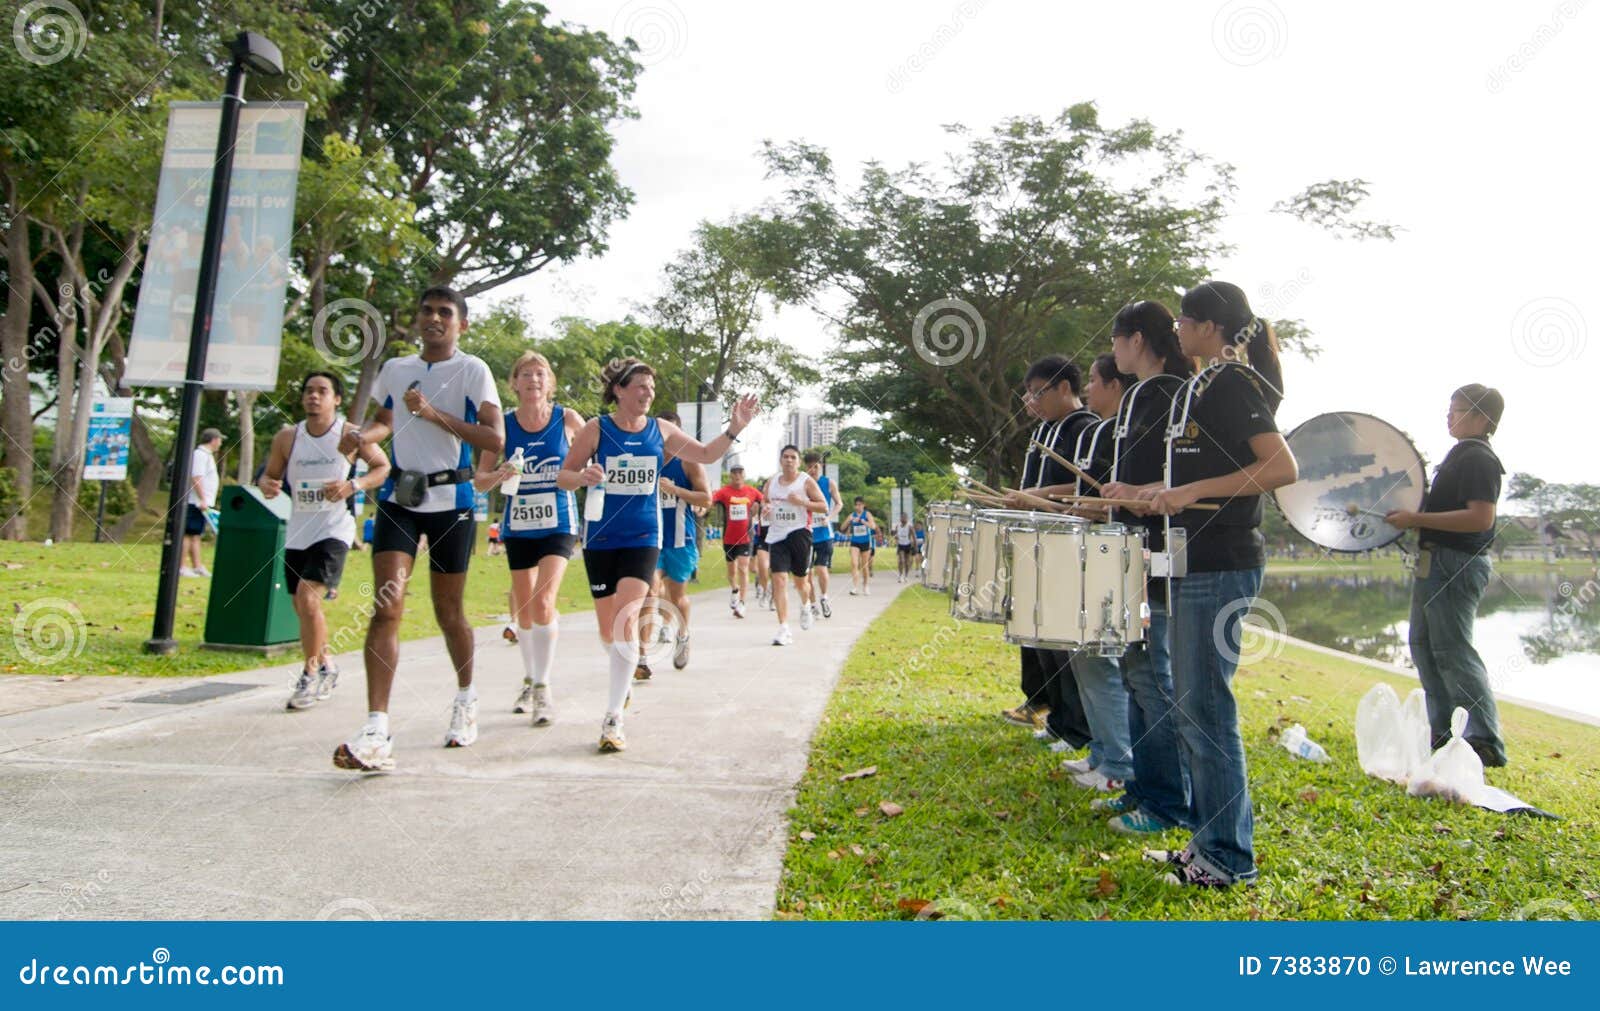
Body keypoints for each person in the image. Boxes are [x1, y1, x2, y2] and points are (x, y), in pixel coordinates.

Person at [1132, 280, 1297, 888]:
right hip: (1193, 561)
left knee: (1206, 711)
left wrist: (1191, 492)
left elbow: (1281, 468)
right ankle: (1209, 843)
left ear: (1208, 327)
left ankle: (1227, 858)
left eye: (1183, 319)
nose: (1175, 328)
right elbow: (1206, 472)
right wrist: (1150, 495)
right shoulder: (1205, 384)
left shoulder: (1232, 382)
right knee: (1195, 705)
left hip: (1221, 563)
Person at [332, 286, 504, 773]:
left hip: (452, 498)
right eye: (426, 311)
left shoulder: (473, 370)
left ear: (461, 325)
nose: (434, 319)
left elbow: (494, 437)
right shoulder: (396, 368)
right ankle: (376, 728)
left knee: (449, 612)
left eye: (445, 313)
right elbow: (387, 420)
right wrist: (362, 435)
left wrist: (433, 415)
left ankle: (466, 698)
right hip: (400, 498)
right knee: (386, 608)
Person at [560, 358, 758, 752]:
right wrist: (583, 477)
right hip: (600, 538)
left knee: (627, 617)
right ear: (619, 390)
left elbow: (704, 454)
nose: (648, 392)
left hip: (644, 536)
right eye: (640, 386)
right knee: (608, 630)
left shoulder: (661, 430)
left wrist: (734, 428)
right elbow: (563, 475)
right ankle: (622, 677)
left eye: (651, 387)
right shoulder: (596, 429)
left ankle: (613, 718)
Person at [1097, 306, 1197, 824]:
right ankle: (1145, 785)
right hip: (1131, 549)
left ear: (1137, 339)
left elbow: (1185, 476)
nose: (1113, 350)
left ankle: (1168, 802)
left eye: (1116, 339)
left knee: (1153, 677)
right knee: (1135, 670)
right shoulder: (1139, 394)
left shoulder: (1178, 393)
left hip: (1162, 554)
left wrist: (1140, 494)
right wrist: (1123, 495)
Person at [1385, 384, 1508, 767]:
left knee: (1453, 651)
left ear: (1482, 419)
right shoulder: (1458, 456)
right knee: (1422, 645)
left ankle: (1484, 740)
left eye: (1457, 410)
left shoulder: (1479, 460)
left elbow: (1481, 517)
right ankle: (1442, 732)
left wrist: (1416, 518)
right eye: (1449, 409)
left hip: (1457, 564)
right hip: (1434, 562)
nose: (1449, 415)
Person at [260, 372, 390, 711]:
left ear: (337, 400)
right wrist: (267, 485)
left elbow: (382, 467)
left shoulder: (348, 435)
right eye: (308, 391)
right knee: (302, 606)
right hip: (299, 528)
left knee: (308, 597)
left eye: (322, 391)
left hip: (334, 529)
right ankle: (328, 663)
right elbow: (270, 475)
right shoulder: (288, 438)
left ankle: (310, 674)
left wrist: (353, 485)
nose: (313, 397)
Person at [473, 350, 581, 727]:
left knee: (544, 599)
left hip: (559, 522)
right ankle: (530, 678)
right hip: (518, 523)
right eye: (526, 374)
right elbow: (479, 479)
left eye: (540, 374)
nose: (534, 380)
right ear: (514, 383)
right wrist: (501, 473)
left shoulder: (566, 419)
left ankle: (543, 687)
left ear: (549, 383)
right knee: (525, 608)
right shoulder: (502, 426)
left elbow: (592, 455)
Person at [999, 356, 1096, 751]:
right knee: (1038, 635)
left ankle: (1075, 726)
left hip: (1065, 544)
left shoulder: (1083, 428)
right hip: (1039, 540)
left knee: (1059, 640)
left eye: (1039, 392)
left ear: (1064, 389)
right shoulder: (1049, 430)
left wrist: (1034, 498)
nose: (1032, 400)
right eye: (1029, 393)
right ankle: (1054, 714)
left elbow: (1085, 491)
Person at [642, 409, 712, 674]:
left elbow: (706, 499)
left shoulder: (689, 463)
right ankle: (642, 656)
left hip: (681, 540)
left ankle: (682, 635)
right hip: (649, 539)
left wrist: (676, 491)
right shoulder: (647, 459)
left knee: (677, 596)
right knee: (650, 591)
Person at [763, 445, 827, 645]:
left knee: (801, 581)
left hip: (800, 533)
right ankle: (784, 628)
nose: (789, 460)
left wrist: (801, 502)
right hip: (777, 535)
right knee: (779, 579)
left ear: (798, 462)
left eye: (793, 457)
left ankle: (806, 604)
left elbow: (823, 506)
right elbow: (765, 502)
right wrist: (765, 508)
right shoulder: (771, 482)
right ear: (780, 460)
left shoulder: (805, 482)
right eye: (785, 457)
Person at [712, 466, 763, 618]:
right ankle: (734, 588)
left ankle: (742, 602)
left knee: (743, 568)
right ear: (730, 476)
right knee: (731, 571)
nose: (737, 476)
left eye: (740, 473)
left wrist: (759, 506)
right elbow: (711, 499)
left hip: (746, 537)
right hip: (729, 537)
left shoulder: (752, 491)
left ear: (744, 475)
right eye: (734, 473)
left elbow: (765, 500)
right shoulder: (724, 491)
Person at [181, 428, 222, 577]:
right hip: (196, 501)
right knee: (187, 534)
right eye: (219, 440)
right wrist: (203, 498)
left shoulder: (207, 455)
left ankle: (197, 565)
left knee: (196, 534)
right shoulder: (200, 455)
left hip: (203, 502)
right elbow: (196, 477)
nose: (220, 443)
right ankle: (182, 566)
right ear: (214, 440)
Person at [804, 452, 841, 617]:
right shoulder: (802, 484)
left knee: (821, 568)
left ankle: (824, 598)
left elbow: (839, 503)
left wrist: (829, 518)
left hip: (825, 533)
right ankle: (812, 604)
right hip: (807, 533)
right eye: (810, 467)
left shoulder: (828, 483)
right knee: (807, 572)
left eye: (816, 466)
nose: (813, 470)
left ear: (821, 467)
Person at [844, 498, 878, 595]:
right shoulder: (852, 515)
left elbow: (873, 526)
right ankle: (855, 587)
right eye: (856, 505)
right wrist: (848, 521)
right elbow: (842, 527)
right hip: (855, 542)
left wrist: (863, 521)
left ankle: (866, 586)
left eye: (860, 504)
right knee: (854, 563)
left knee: (864, 566)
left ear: (863, 505)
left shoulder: (867, 514)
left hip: (866, 542)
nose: (858, 507)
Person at [893, 512, 916, 582]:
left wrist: (915, 546)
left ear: (907, 518)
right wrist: (896, 538)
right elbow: (895, 535)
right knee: (901, 560)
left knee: (907, 562)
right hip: (900, 545)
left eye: (904, 517)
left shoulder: (910, 526)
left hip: (908, 544)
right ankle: (900, 575)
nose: (903, 519)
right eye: (901, 517)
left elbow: (914, 536)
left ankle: (906, 575)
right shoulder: (897, 526)